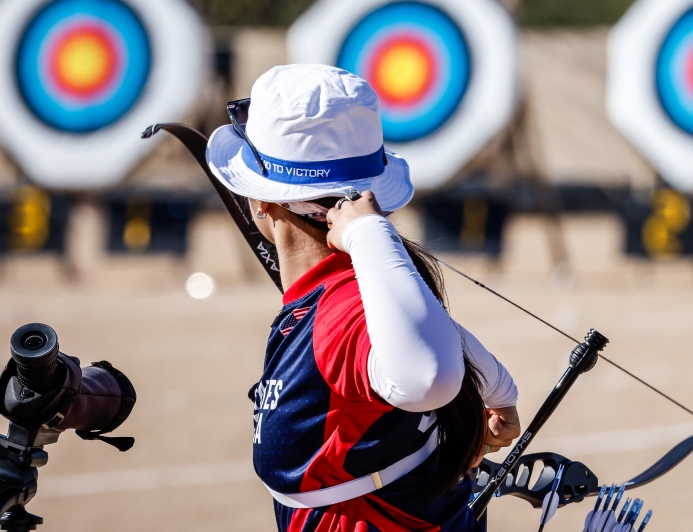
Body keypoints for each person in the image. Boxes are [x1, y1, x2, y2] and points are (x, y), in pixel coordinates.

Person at [205, 64, 520, 531]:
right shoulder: (362, 293)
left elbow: (429, 378)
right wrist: (498, 389)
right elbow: (427, 334)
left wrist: (370, 232)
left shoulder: (340, 309)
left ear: (261, 201)